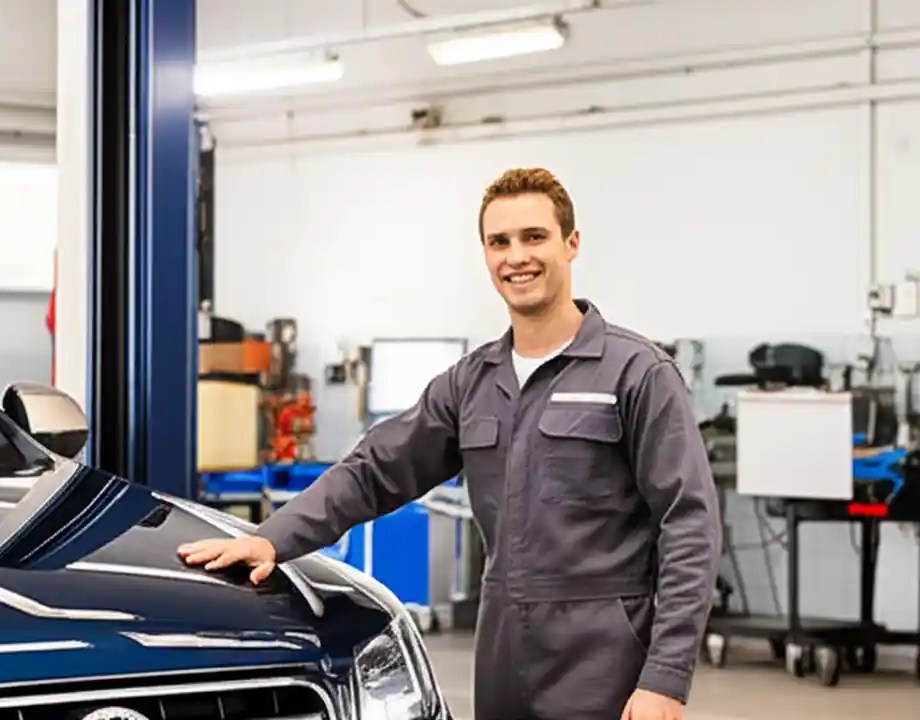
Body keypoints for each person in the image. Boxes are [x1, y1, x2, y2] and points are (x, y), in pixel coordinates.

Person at [178, 167, 721, 720]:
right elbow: (374, 470)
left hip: (606, 660)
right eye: (499, 242)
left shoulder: (635, 373)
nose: (517, 257)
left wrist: (665, 678)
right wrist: (272, 539)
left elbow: (689, 525)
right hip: (504, 653)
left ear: (571, 243)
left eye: (534, 237)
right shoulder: (471, 383)